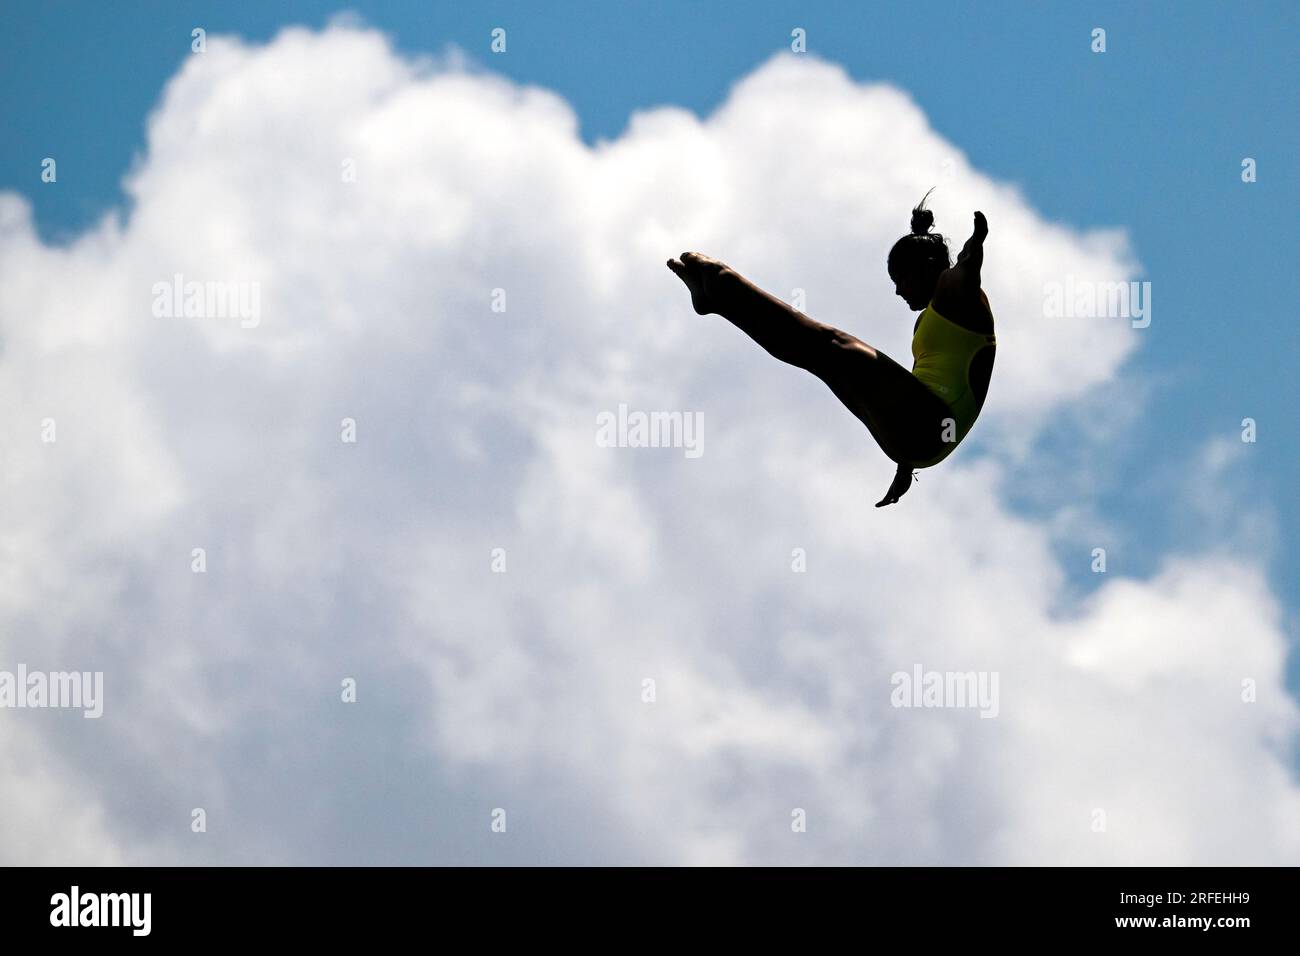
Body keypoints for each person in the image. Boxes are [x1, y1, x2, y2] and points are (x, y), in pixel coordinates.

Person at [667, 192, 995, 506]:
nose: (897, 290)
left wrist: (976, 243)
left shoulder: (953, 291)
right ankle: (719, 302)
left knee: (833, 346)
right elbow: (917, 385)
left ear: (926, 266)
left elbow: (967, 270)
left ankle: (723, 282)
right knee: (821, 357)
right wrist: (905, 464)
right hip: (918, 434)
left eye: (901, 278)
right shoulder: (930, 317)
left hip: (931, 426)